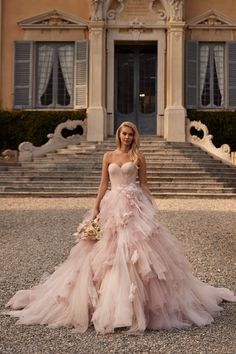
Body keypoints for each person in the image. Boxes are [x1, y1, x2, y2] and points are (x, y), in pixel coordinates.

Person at [3, 121, 236, 334]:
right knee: (104, 253)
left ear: (134, 137)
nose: (127, 137)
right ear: (119, 135)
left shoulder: (139, 157)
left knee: (139, 253)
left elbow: (144, 185)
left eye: (130, 134)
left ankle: (136, 307)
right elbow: (104, 183)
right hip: (111, 206)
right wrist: (95, 209)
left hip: (134, 207)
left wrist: (150, 210)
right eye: (124, 134)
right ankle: (107, 305)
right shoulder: (108, 156)